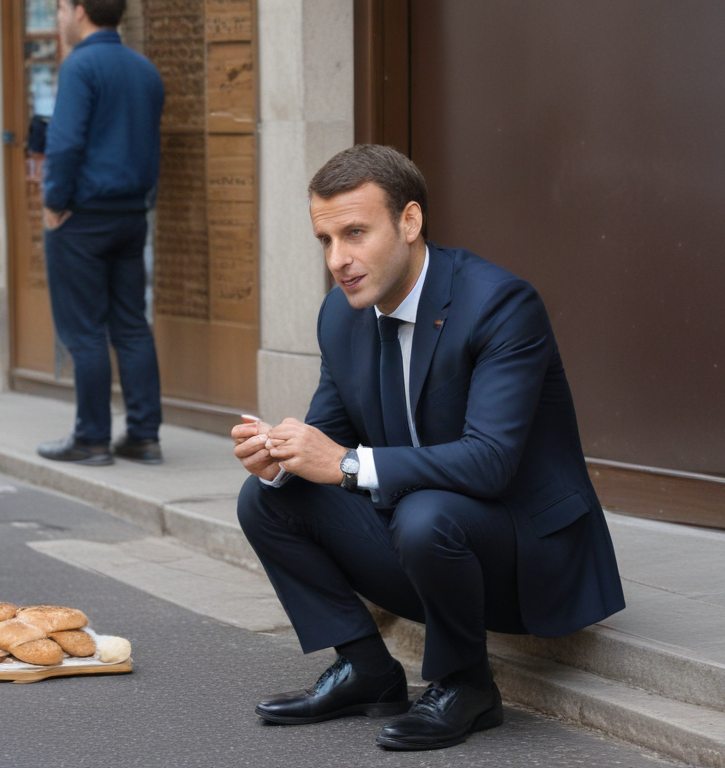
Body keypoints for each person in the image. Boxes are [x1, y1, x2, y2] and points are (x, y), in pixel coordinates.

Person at [232, 145, 625, 751]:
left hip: (525, 559)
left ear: (409, 221)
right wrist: (280, 459)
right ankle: (366, 668)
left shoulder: (499, 304)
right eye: (326, 240)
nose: (338, 260)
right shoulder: (341, 315)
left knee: (424, 513)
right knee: (266, 498)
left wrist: (344, 463)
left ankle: (467, 686)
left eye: (355, 233)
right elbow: (328, 440)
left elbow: (490, 462)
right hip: (426, 547)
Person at [37, 0, 165, 466]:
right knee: (131, 325)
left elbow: (65, 142)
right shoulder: (143, 68)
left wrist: (54, 201)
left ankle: (91, 439)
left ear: (79, 10)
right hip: (130, 214)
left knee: (84, 330)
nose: (58, 18)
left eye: (59, 8)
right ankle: (144, 437)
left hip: (83, 216)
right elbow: (149, 145)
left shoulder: (80, 65)